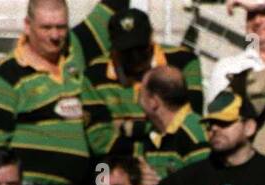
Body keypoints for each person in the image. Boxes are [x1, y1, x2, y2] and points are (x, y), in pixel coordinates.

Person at [0, 0, 129, 185]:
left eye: (61, 27)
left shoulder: (74, 54)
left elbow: (102, 146)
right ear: (27, 26)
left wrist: (103, 184)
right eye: (46, 28)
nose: (55, 35)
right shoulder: (6, 75)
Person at [82, 7, 204, 157]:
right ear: (112, 47)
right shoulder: (95, 74)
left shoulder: (183, 61)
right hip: (119, 165)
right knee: (102, 177)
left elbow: (190, 121)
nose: (135, 57)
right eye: (126, 51)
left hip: (174, 158)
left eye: (141, 48)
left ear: (151, 38)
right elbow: (100, 141)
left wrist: (130, 128)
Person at [124, 66, 211, 185]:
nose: (136, 97)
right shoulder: (152, 133)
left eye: (140, 91)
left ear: (153, 102)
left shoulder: (195, 134)